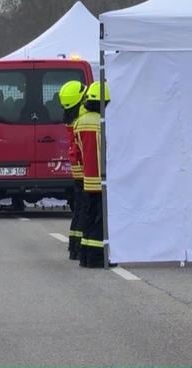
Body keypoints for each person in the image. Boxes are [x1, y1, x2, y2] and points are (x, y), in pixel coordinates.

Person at [75, 81, 109, 268]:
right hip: (101, 177)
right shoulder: (101, 122)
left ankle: (85, 256)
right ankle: (97, 257)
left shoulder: (81, 121)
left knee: (89, 218)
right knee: (100, 219)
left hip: (88, 177)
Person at [58, 80, 87, 260]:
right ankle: (79, 246)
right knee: (84, 209)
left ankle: (75, 245)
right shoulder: (83, 118)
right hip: (87, 171)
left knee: (79, 210)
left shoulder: (70, 118)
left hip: (78, 171)